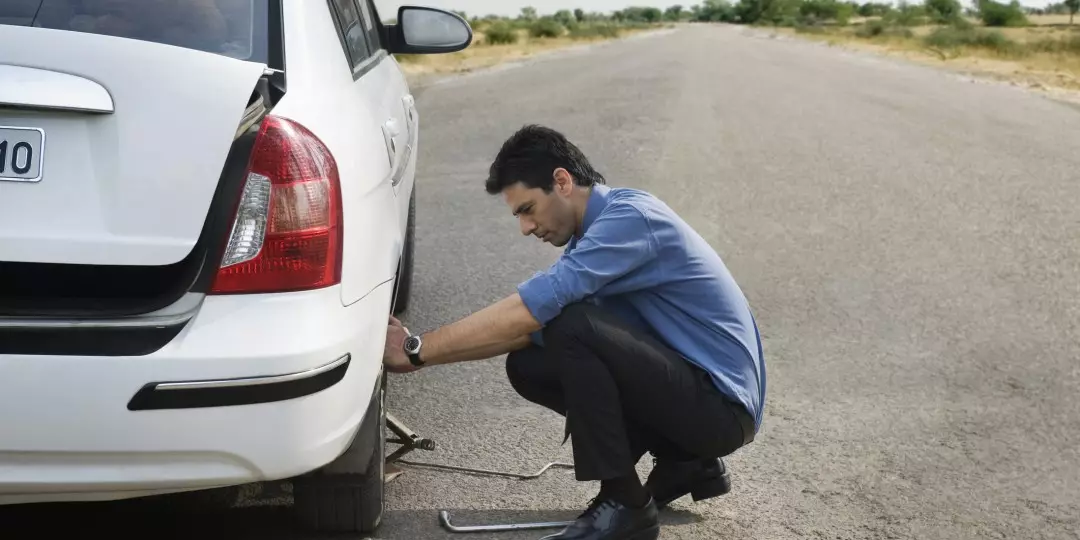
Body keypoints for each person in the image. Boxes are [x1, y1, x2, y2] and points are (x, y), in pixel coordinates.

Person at [382, 125, 766, 540]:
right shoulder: (593, 239)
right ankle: (686, 461)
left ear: (562, 182)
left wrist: (414, 349)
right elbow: (524, 329)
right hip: (698, 400)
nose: (525, 228)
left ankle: (625, 505)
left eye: (527, 209)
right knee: (529, 363)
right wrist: (420, 353)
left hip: (723, 409)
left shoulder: (629, 220)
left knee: (570, 325)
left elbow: (532, 311)